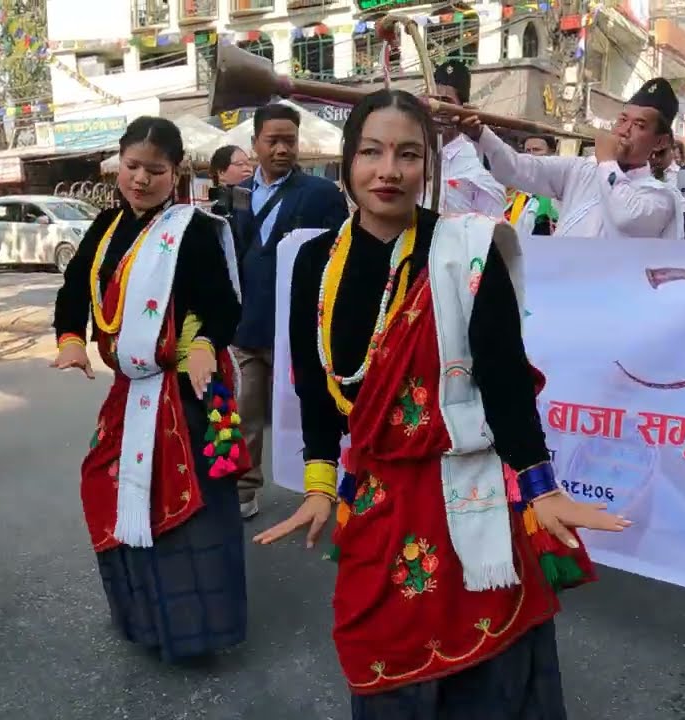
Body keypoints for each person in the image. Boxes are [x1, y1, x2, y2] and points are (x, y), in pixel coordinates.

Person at [255, 88, 629, 720]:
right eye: (372, 152)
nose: (388, 171)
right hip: (376, 495)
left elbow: (507, 380)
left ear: (428, 165)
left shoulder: (464, 249)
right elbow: (316, 387)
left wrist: (541, 488)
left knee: (487, 665)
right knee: (380, 649)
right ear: (348, 161)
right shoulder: (315, 261)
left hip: (471, 487)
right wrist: (320, 483)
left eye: (407, 153)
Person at [52, 117, 249, 662]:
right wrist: (71, 338)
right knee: (108, 484)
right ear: (118, 163)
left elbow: (224, 304)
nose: (140, 180)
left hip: (187, 390)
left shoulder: (194, 230)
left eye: (155, 171)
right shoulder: (105, 228)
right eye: (132, 167)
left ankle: (197, 629)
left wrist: (207, 341)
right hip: (129, 389)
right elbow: (74, 289)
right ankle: (142, 618)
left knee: (190, 504)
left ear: (176, 172)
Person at [231, 103, 348, 520]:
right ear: (255, 144)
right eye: (272, 140)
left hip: (299, 328)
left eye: (290, 141)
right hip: (249, 327)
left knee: (308, 408)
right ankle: (245, 490)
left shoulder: (321, 194)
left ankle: (316, 488)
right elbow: (237, 254)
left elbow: (338, 255)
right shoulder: (240, 194)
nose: (282, 149)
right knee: (245, 413)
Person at [464, 77, 682, 239]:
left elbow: (627, 216)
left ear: (660, 142)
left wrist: (606, 161)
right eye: (622, 120)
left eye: (639, 125)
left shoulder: (662, 196)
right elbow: (516, 168)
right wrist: (480, 134)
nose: (624, 130)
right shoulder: (580, 170)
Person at [429, 60, 507, 218]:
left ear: (463, 108)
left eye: (446, 102)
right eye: (434, 101)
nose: (437, 110)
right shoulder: (417, 154)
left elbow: (489, 230)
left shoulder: (478, 165)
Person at [506, 135, 558, 236]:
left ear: (552, 152)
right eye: (527, 151)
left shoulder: (563, 186)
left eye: (536, 150)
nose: (530, 155)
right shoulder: (517, 190)